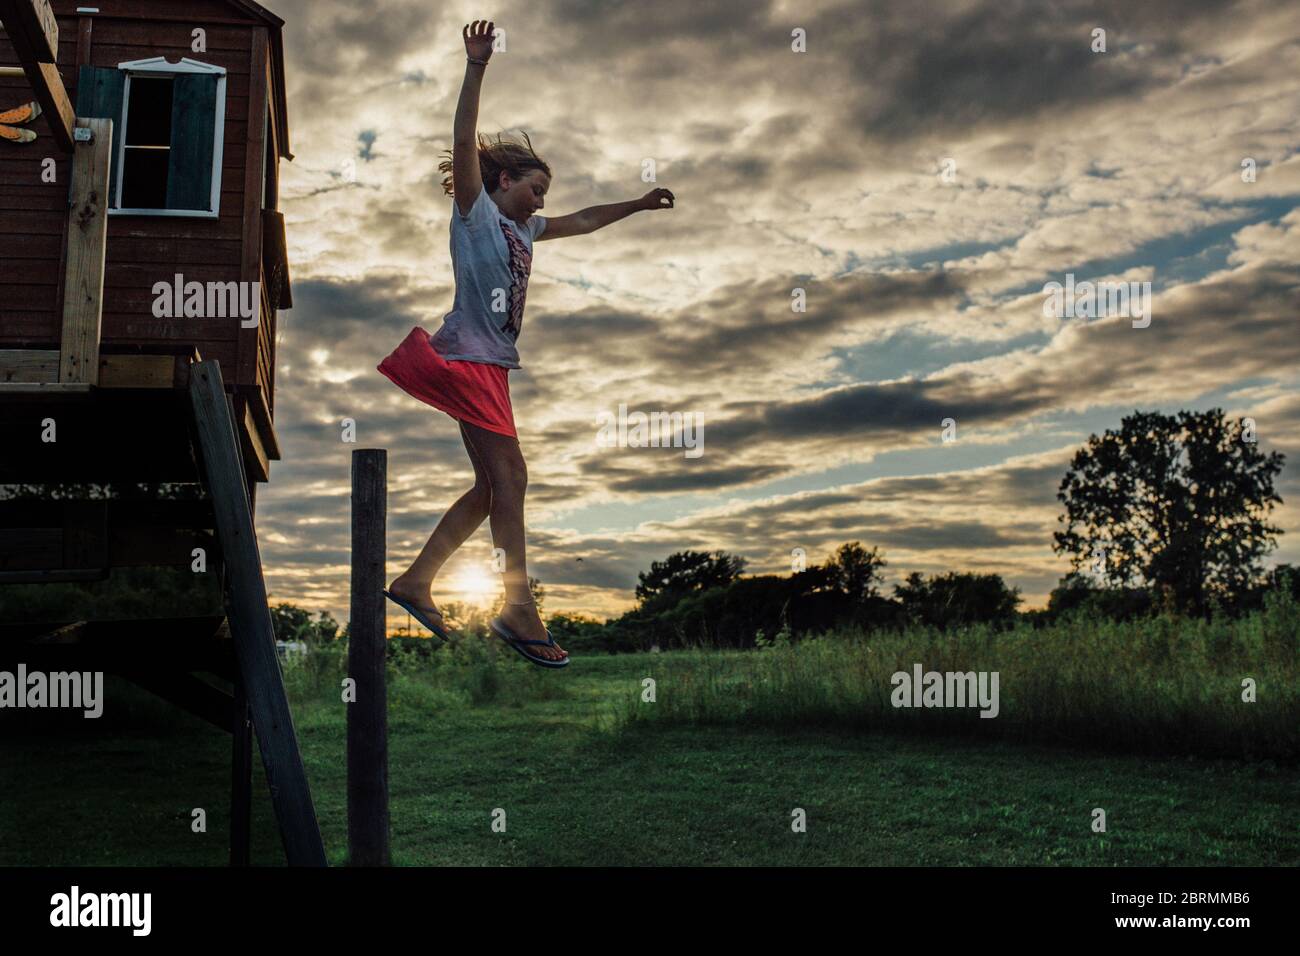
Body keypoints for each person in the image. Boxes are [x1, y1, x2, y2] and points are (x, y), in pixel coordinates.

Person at [377, 19, 675, 667]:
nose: (542, 199)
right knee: (513, 478)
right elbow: (462, 139)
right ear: (503, 181)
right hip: (470, 359)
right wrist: (477, 66)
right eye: (535, 187)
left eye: (545, 193)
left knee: (494, 487)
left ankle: (416, 581)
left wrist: (640, 203)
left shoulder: (526, 233)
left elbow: (586, 220)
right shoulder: (475, 213)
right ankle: (515, 608)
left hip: (490, 367)